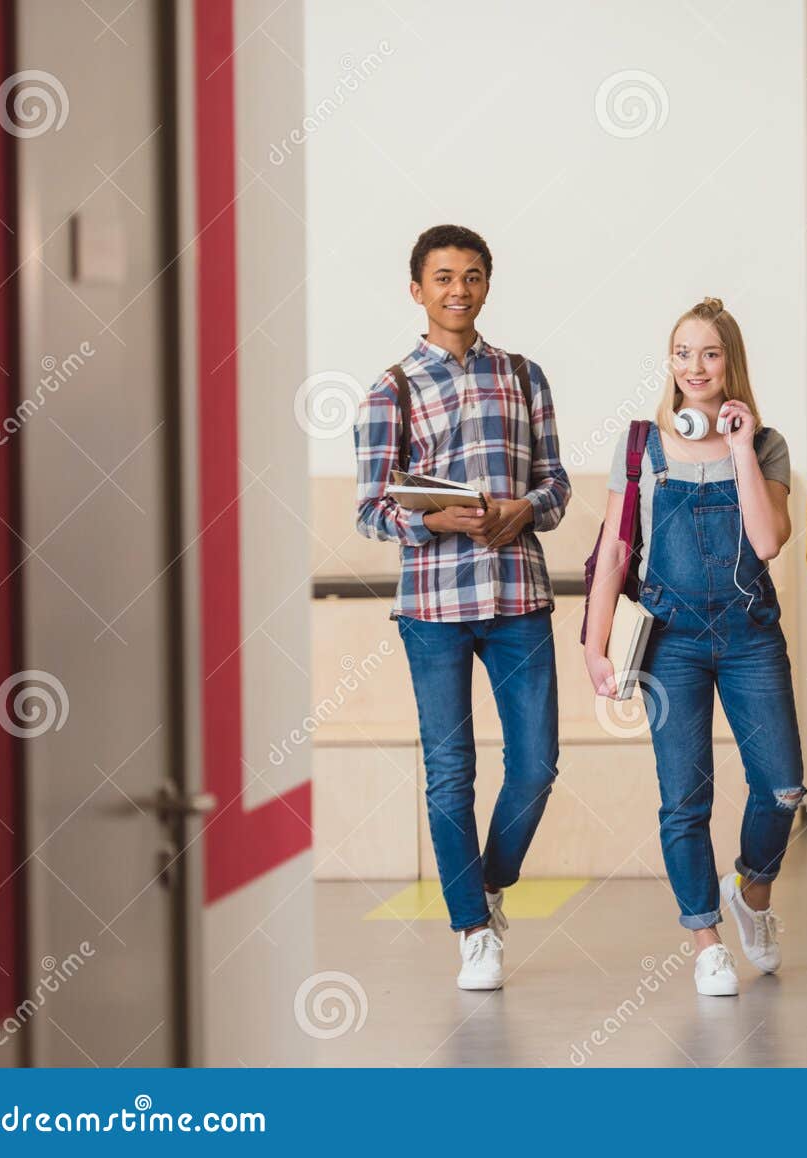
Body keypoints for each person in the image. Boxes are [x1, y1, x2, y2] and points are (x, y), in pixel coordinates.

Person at [354, 224, 572, 991]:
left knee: (538, 766)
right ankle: (472, 930)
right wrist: (432, 519)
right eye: (442, 277)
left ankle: (485, 881)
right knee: (451, 775)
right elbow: (372, 511)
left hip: (518, 597)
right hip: (433, 608)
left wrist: (524, 510)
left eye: (472, 275)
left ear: (487, 285)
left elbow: (557, 488)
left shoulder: (523, 375)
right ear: (417, 289)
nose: (458, 289)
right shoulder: (390, 390)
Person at [583, 297, 805, 997]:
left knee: (782, 784)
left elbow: (768, 542)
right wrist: (594, 646)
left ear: (730, 361)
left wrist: (738, 448)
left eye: (709, 353)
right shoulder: (637, 446)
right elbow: (617, 551)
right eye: (683, 352)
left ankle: (753, 893)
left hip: (748, 634)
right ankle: (706, 938)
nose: (695, 366)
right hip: (669, 640)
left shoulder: (765, 446)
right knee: (685, 798)